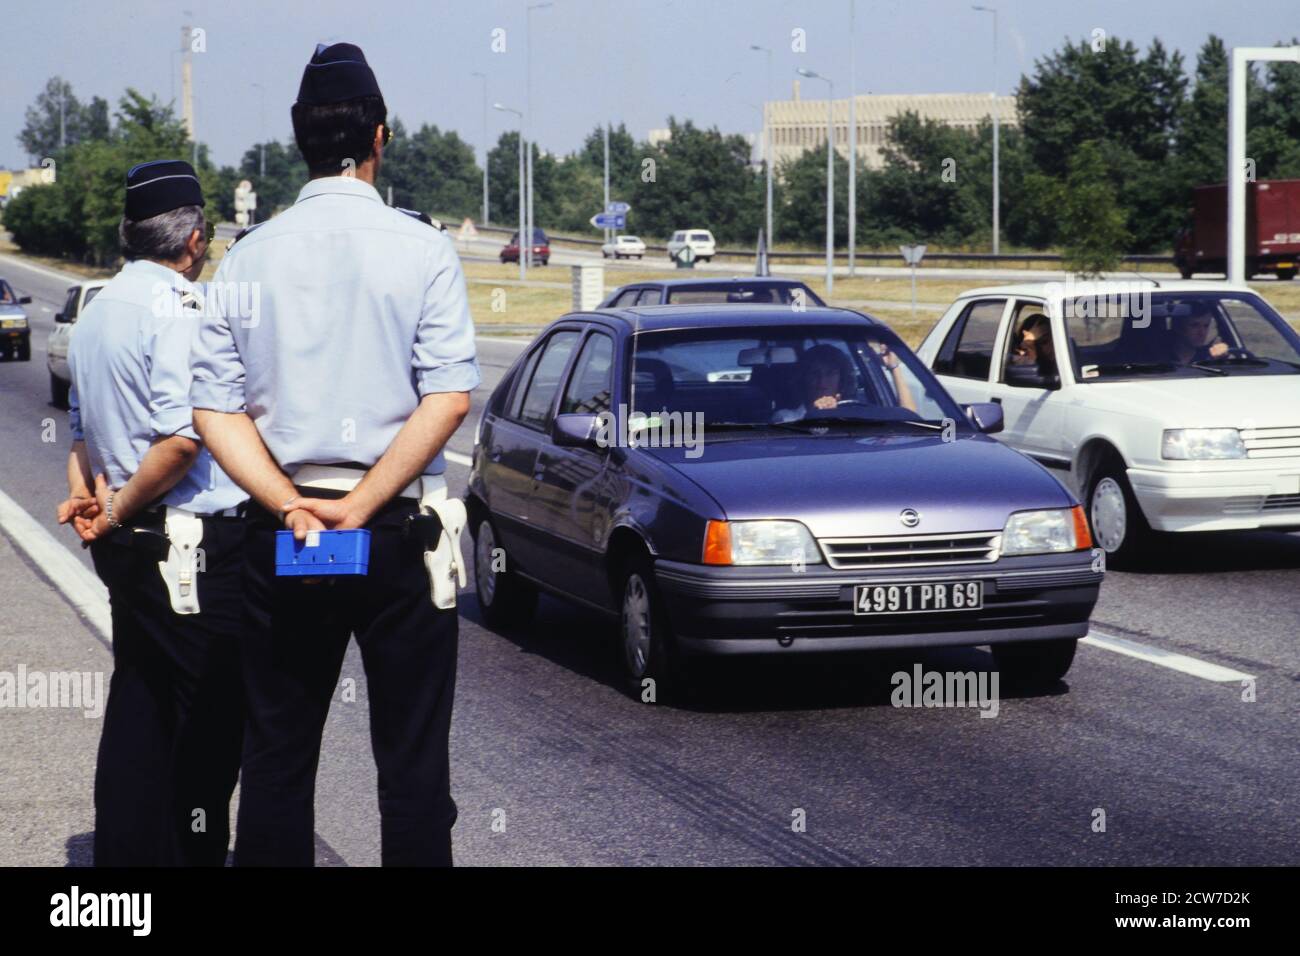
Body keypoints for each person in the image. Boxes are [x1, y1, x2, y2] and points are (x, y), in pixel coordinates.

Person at [190, 42, 479, 867]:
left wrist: (287, 502)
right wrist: (363, 503)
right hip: (395, 533)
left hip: (285, 534)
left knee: (275, 758)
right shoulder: (421, 250)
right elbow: (448, 398)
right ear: (379, 137)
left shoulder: (247, 257)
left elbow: (214, 409)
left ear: (298, 139)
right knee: (413, 767)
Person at [56, 159, 247, 866]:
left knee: (140, 703)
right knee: (209, 728)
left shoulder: (99, 307)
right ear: (195, 238)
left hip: (129, 546)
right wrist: (113, 510)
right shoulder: (181, 311)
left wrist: (90, 498)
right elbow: (178, 442)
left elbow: (80, 424)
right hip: (188, 551)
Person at [1164, 306, 1229, 363]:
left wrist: (1222, 358)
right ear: (1178, 327)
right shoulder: (1158, 357)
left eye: (1206, 326)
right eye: (1194, 325)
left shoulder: (1210, 357)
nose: (1202, 333)